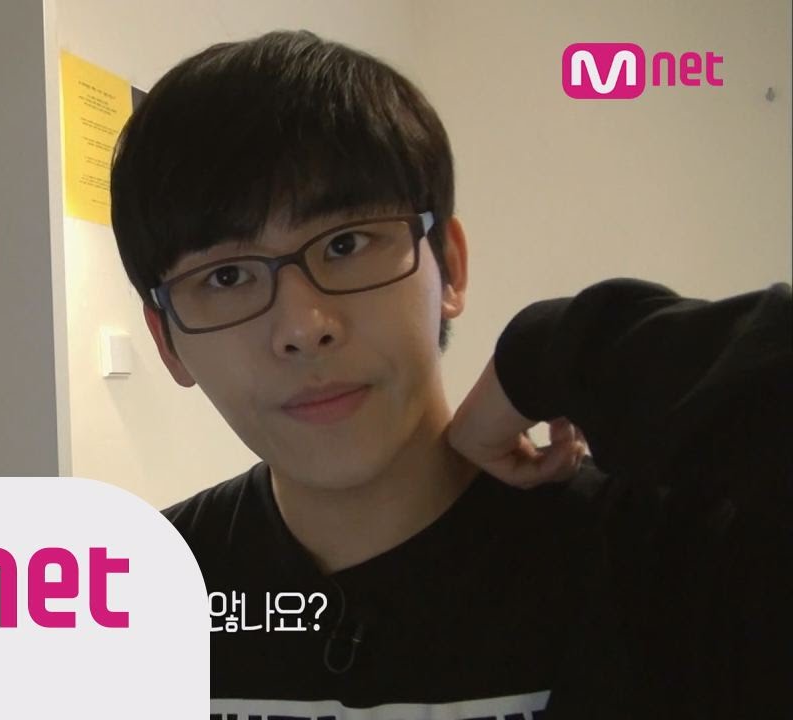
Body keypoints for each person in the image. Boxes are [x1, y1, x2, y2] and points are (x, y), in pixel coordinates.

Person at [109, 30, 791, 718]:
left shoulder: (663, 564)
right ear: (167, 342)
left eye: (345, 243)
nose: (303, 326)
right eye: (226, 276)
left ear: (451, 268)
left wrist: (566, 347)